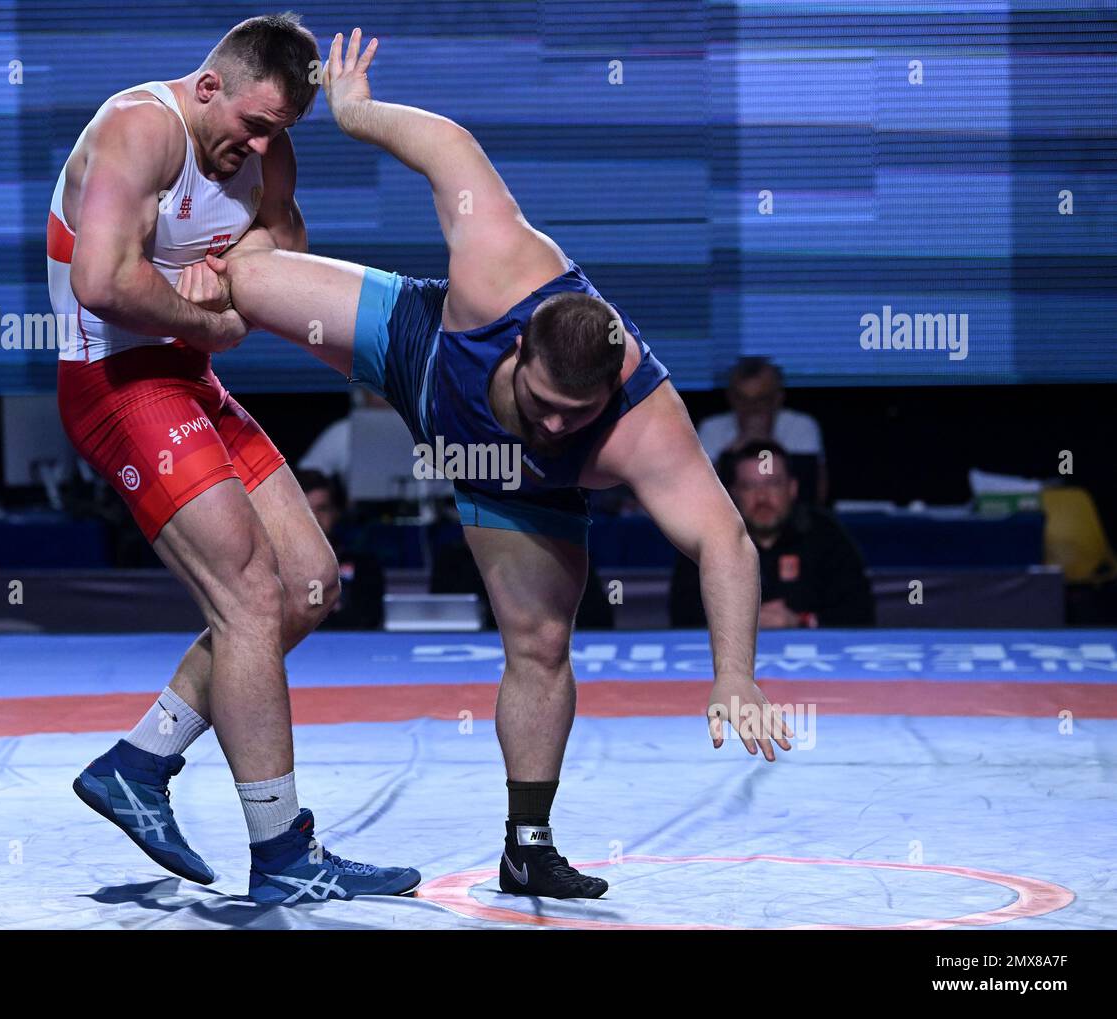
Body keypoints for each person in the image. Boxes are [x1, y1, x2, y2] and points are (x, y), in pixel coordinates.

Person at [178, 29, 792, 900]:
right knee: (246, 275)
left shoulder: (641, 423)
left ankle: (527, 844)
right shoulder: (498, 260)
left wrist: (734, 672)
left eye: (572, 416)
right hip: (420, 350)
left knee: (541, 645)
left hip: (517, 487)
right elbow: (448, 147)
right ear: (523, 341)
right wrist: (356, 113)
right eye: (540, 402)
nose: (551, 420)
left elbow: (725, 540)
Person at [50, 14, 417, 904]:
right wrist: (213, 315)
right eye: (251, 125)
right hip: (113, 381)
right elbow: (103, 281)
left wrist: (242, 266)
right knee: (249, 594)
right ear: (208, 85)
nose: (256, 147)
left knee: (311, 580)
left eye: (277, 132)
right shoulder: (140, 129)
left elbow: (282, 248)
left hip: (187, 379)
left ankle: (139, 761)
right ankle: (284, 850)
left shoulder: (265, 150)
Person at [670, 442, 874, 629]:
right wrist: (740, 623)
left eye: (773, 484)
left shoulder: (825, 534)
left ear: (792, 489)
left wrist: (800, 621)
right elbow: (683, 616)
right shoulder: (711, 539)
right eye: (750, 486)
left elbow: (860, 613)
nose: (762, 497)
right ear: (733, 493)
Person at [696, 357, 828, 505]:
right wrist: (736, 448)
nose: (752, 409)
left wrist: (766, 443)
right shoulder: (712, 429)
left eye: (761, 400)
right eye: (743, 400)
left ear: (778, 398)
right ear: (731, 398)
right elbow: (699, 495)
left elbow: (816, 495)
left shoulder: (801, 427)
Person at [297, 469, 386, 629]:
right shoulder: (274, 569)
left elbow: (366, 621)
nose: (314, 518)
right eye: (305, 510)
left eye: (322, 509)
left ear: (336, 512)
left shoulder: (365, 566)